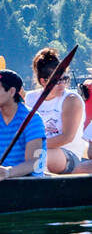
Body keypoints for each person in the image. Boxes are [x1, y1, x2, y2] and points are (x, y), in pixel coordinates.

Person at [25, 47, 85, 175]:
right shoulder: (30, 98)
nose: (63, 85)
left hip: (67, 154)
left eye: (65, 79)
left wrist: (32, 146)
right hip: (36, 150)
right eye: (58, 81)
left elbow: (67, 137)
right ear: (43, 81)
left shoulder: (71, 99)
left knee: (38, 156)